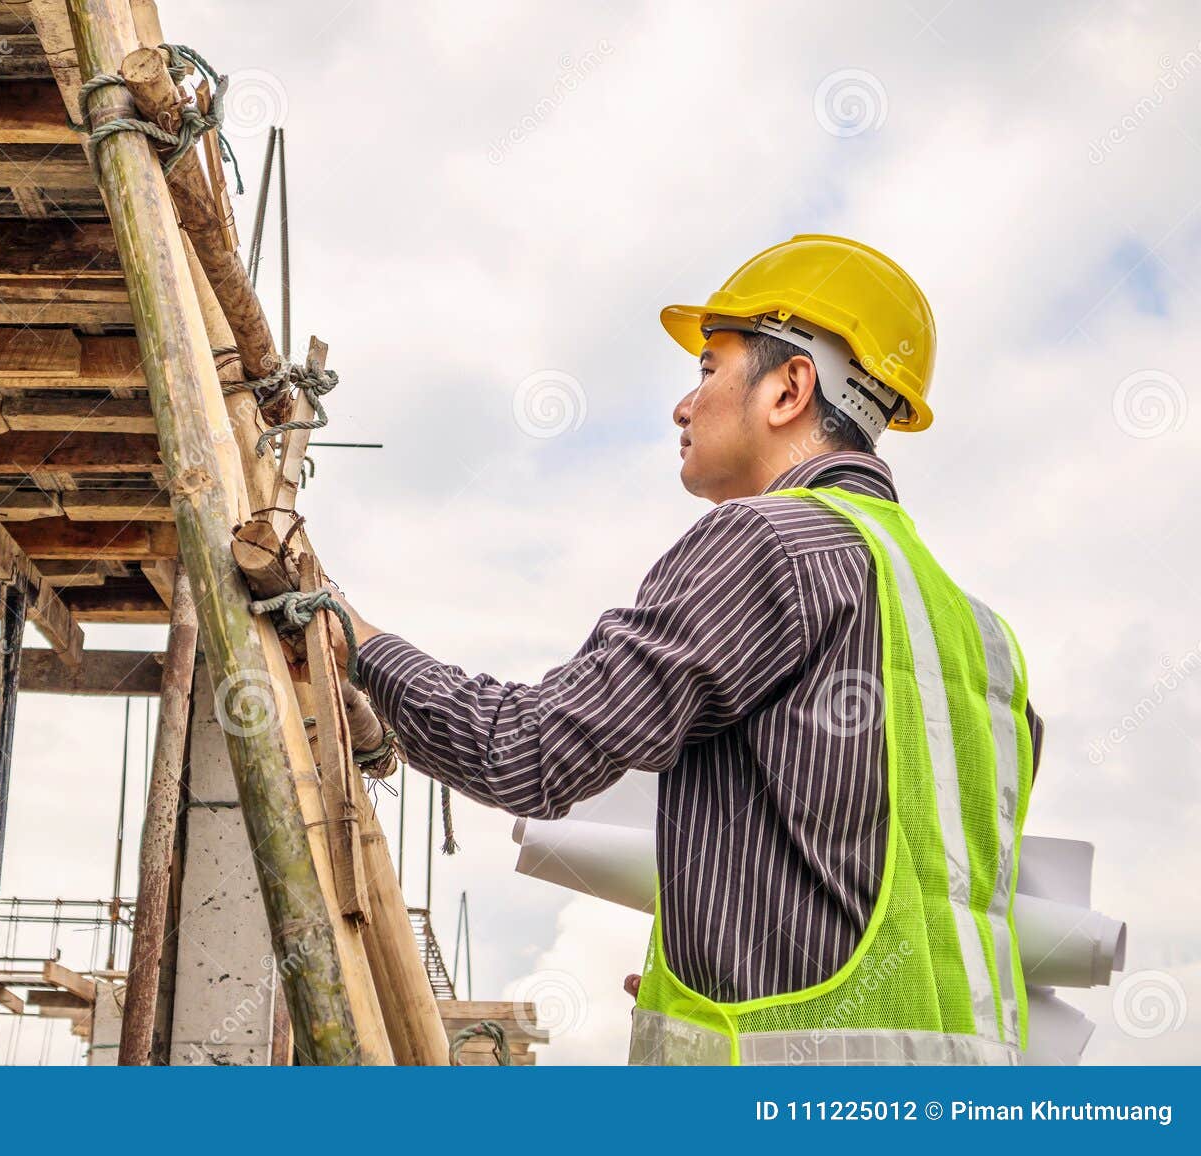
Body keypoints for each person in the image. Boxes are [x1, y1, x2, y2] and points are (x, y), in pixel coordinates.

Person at [328, 235, 1043, 1066]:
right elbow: (892, 877)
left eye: (707, 370)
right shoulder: (979, 633)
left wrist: (357, 640)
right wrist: (723, 955)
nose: (682, 405)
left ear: (789, 387)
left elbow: (524, 753)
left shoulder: (769, 544)